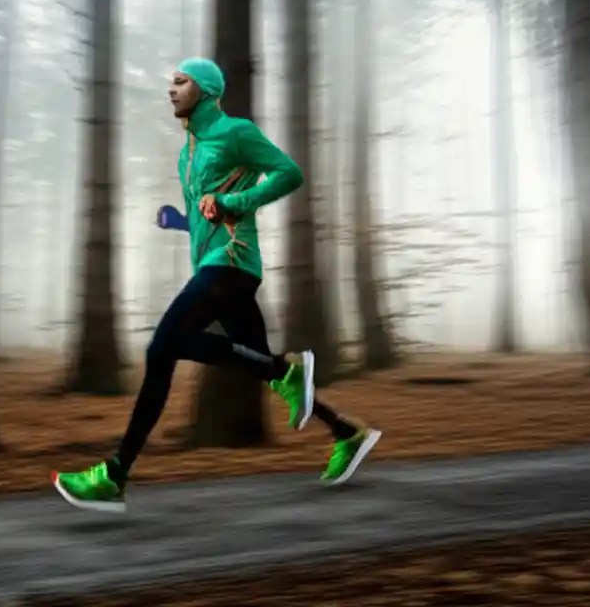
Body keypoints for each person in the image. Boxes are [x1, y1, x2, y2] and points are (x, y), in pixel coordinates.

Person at [51, 58, 381, 513]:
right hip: (213, 263)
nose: (171, 90)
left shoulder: (236, 132)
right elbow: (210, 214)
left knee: (162, 348)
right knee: (263, 366)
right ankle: (347, 431)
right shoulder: (187, 152)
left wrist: (235, 200)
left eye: (180, 82)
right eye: (171, 82)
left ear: (205, 89)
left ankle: (115, 473)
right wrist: (182, 221)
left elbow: (288, 173)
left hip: (230, 262)